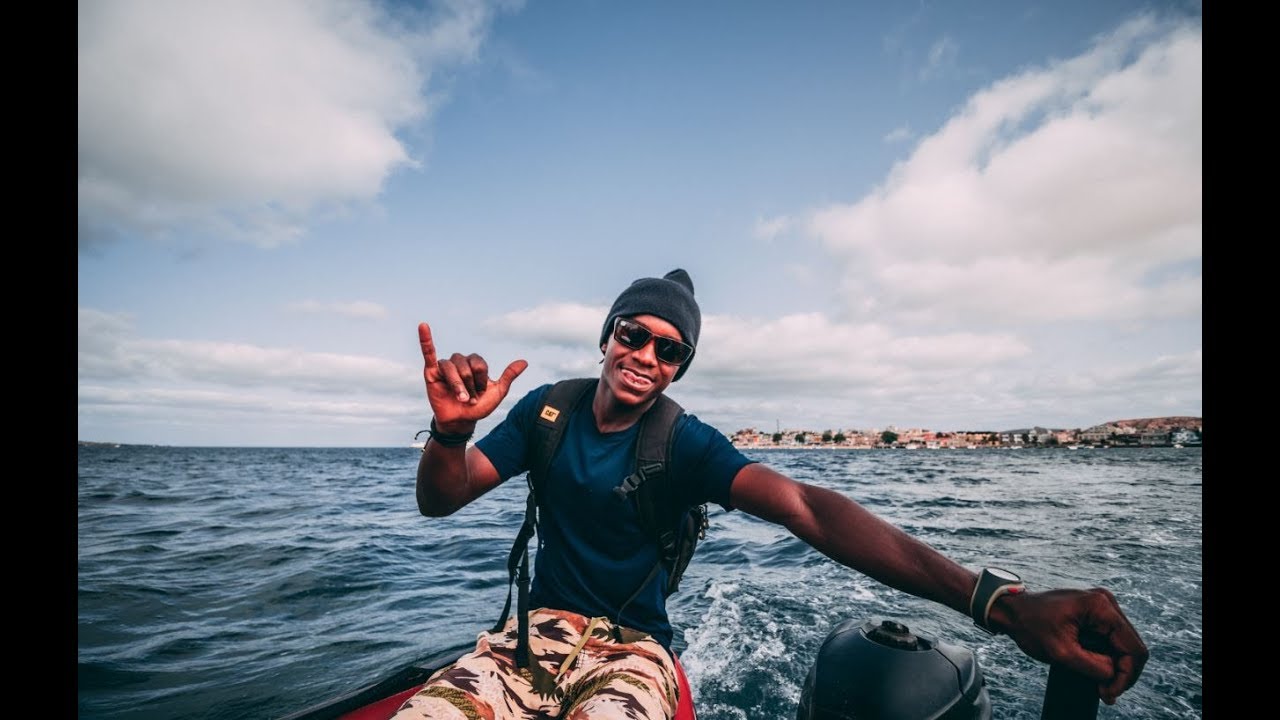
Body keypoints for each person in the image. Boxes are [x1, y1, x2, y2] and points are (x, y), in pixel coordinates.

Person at [392, 269, 1149, 720]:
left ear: (679, 367)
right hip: (530, 637)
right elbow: (441, 500)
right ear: (607, 335)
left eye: (669, 349)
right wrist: (450, 433)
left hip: (632, 652)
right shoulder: (545, 412)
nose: (645, 355)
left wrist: (999, 603)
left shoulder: (684, 444)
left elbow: (807, 508)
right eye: (633, 333)